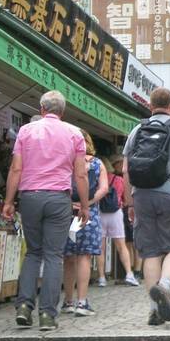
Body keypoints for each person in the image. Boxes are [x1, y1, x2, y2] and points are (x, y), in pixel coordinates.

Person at [2, 90, 88, 331]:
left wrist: (9, 201)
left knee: (33, 253)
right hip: (59, 199)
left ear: (41, 110)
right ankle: (48, 315)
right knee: (53, 255)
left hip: (29, 197)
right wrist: (84, 204)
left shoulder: (26, 131)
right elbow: (80, 173)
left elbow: (16, 169)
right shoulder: (74, 134)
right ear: (62, 112)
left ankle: (24, 307)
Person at [122, 87, 170, 327]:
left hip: (141, 195)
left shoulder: (137, 130)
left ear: (151, 107)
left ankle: (154, 310)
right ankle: (164, 287)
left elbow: (125, 170)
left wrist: (130, 203)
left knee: (150, 252)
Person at [62, 132, 110, 316]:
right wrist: (88, 204)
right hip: (88, 215)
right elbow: (104, 188)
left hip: (67, 214)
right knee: (84, 256)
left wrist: (72, 204)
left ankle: (67, 301)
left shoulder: (66, 162)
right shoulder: (97, 163)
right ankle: (82, 303)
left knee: (68, 257)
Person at [97, 156, 138, 287]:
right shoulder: (119, 180)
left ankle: (101, 278)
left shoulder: (97, 178)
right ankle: (129, 274)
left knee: (101, 248)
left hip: (100, 213)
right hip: (116, 213)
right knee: (121, 246)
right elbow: (125, 200)